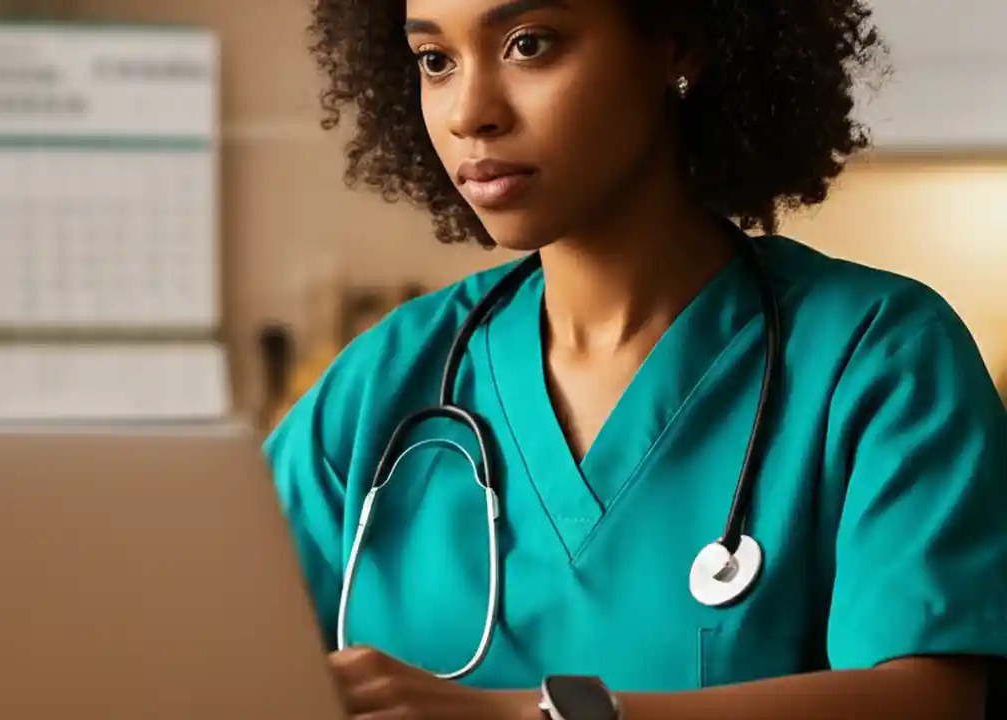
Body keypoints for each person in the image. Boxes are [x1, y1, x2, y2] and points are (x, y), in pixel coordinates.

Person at [264, 0, 1007, 717]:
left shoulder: (879, 356)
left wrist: (538, 717)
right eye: (435, 60)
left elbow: (928, 701)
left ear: (677, 42)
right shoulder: (385, 381)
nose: (469, 112)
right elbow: (203, 641)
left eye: (529, 43)